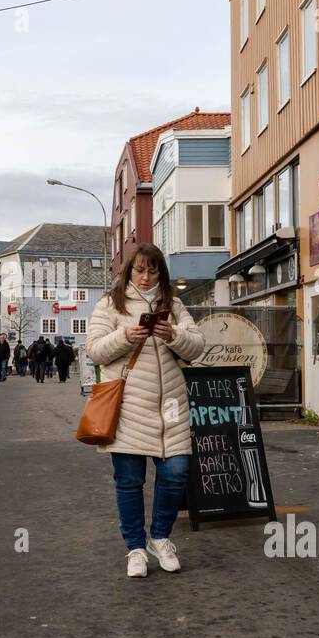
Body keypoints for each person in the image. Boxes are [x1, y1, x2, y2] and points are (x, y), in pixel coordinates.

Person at [85, 242, 204, 580]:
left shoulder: (175, 304)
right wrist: (126, 335)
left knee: (177, 472)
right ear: (129, 271)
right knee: (129, 481)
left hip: (170, 408)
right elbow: (94, 350)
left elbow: (197, 348)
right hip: (126, 408)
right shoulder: (111, 304)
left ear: (161, 272)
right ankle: (136, 549)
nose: (146, 275)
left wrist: (174, 335)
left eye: (153, 270)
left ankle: (160, 538)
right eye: (140, 269)